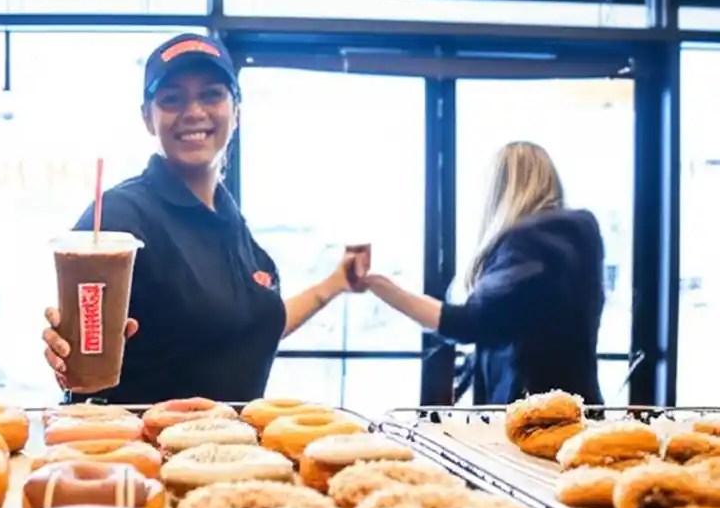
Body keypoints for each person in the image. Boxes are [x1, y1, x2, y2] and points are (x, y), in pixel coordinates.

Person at [41, 33, 359, 405]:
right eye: (172, 98)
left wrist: (333, 284)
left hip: (235, 456)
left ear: (236, 110)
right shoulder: (118, 215)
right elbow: (83, 350)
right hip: (147, 455)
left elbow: (244, 328)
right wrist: (70, 359)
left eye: (211, 94)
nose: (193, 111)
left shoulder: (230, 219)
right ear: (148, 117)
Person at [362, 141, 606, 404]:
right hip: (571, 413)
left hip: (541, 420)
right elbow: (527, 329)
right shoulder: (570, 241)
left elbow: (470, 322)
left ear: (501, 188)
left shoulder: (533, 239)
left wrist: (383, 288)